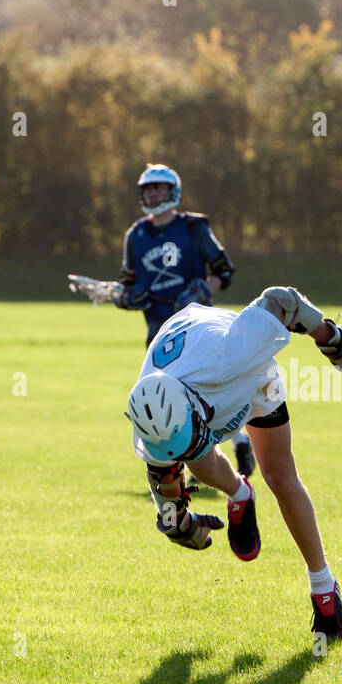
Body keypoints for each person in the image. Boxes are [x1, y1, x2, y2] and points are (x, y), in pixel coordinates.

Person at [126, 287, 342, 640]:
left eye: (188, 438)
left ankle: (324, 588)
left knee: (281, 476)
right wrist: (180, 526)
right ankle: (240, 494)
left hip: (243, 373)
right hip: (187, 357)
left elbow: (282, 301)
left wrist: (332, 338)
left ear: (192, 408)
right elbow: (168, 499)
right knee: (197, 459)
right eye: (176, 449)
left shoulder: (235, 355)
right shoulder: (151, 425)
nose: (185, 450)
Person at [114, 163, 255, 479]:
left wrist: (202, 288)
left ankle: (229, 446)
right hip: (158, 332)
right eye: (147, 189)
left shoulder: (193, 228)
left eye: (158, 188)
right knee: (165, 399)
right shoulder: (135, 235)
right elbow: (125, 284)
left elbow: (224, 271)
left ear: (172, 191)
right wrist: (126, 297)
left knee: (202, 395)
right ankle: (189, 462)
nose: (152, 194)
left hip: (197, 328)